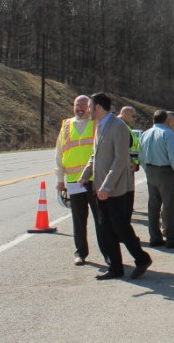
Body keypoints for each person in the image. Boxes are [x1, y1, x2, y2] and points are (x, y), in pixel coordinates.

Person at [79, 92, 152, 280]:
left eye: (89, 106)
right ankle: (116, 267)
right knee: (106, 228)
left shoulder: (118, 126)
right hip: (101, 188)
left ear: (98, 107)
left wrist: (107, 186)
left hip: (116, 189)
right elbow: (96, 155)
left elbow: (121, 160)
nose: (87, 110)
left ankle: (142, 259)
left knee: (120, 227)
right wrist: (85, 175)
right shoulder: (99, 125)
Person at [54, 95, 108, 266]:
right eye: (78, 105)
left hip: (94, 179)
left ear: (90, 107)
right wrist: (59, 179)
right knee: (78, 219)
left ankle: (107, 254)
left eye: (84, 105)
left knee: (100, 218)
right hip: (74, 181)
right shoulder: (66, 126)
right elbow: (59, 153)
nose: (80, 108)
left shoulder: (96, 124)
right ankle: (80, 253)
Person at [139, 109, 174, 249]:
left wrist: (147, 169)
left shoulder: (145, 134)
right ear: (166, 120)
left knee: (153, 206)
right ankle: (172, 239)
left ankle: (155, 237)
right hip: (166, 171)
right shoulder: (167, 134)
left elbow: (140, 155)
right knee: (171, 206)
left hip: (151, 170)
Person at [118, 106, 141, 174]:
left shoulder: (124, 127)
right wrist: (131, 161)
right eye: (133, 116)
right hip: (125, 168)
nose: (135, 119)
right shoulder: (121, 127)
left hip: (128, 167)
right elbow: (120, 149)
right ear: (125, 115)